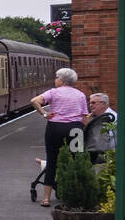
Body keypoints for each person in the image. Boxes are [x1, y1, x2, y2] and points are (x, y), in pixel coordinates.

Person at [31, 67, 89, 206]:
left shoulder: (53, 92)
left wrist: (44, 113)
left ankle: (46, 199)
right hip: (75, 129)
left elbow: (34, 101)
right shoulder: (80, 95)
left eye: (56, 77)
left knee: (52, 161)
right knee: (77, 160)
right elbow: (84, 117)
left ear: (62, 80)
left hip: (55, 128)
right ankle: (77, 196)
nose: (55, 80)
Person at [84, 92, 117, 164]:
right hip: (96, 155)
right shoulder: (91, 117)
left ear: (103, 104)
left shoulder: (113, 117)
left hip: (109, 157)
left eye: (93, 103)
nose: (90, 105)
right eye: (89, 103)